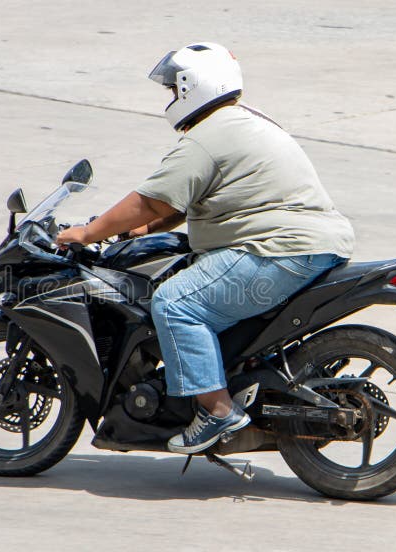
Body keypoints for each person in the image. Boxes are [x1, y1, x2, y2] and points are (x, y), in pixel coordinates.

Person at [57, 42, 355, 454]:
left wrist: (88, 233)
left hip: (279, 250)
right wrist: (141, 230)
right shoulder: (245, 122)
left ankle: (216, 411)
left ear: (192, 87)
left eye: (174, 90)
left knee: (175, 302)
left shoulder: (207, 137)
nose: (172, 99)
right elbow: (189, 202)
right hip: (312, 246)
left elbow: (151, 199)